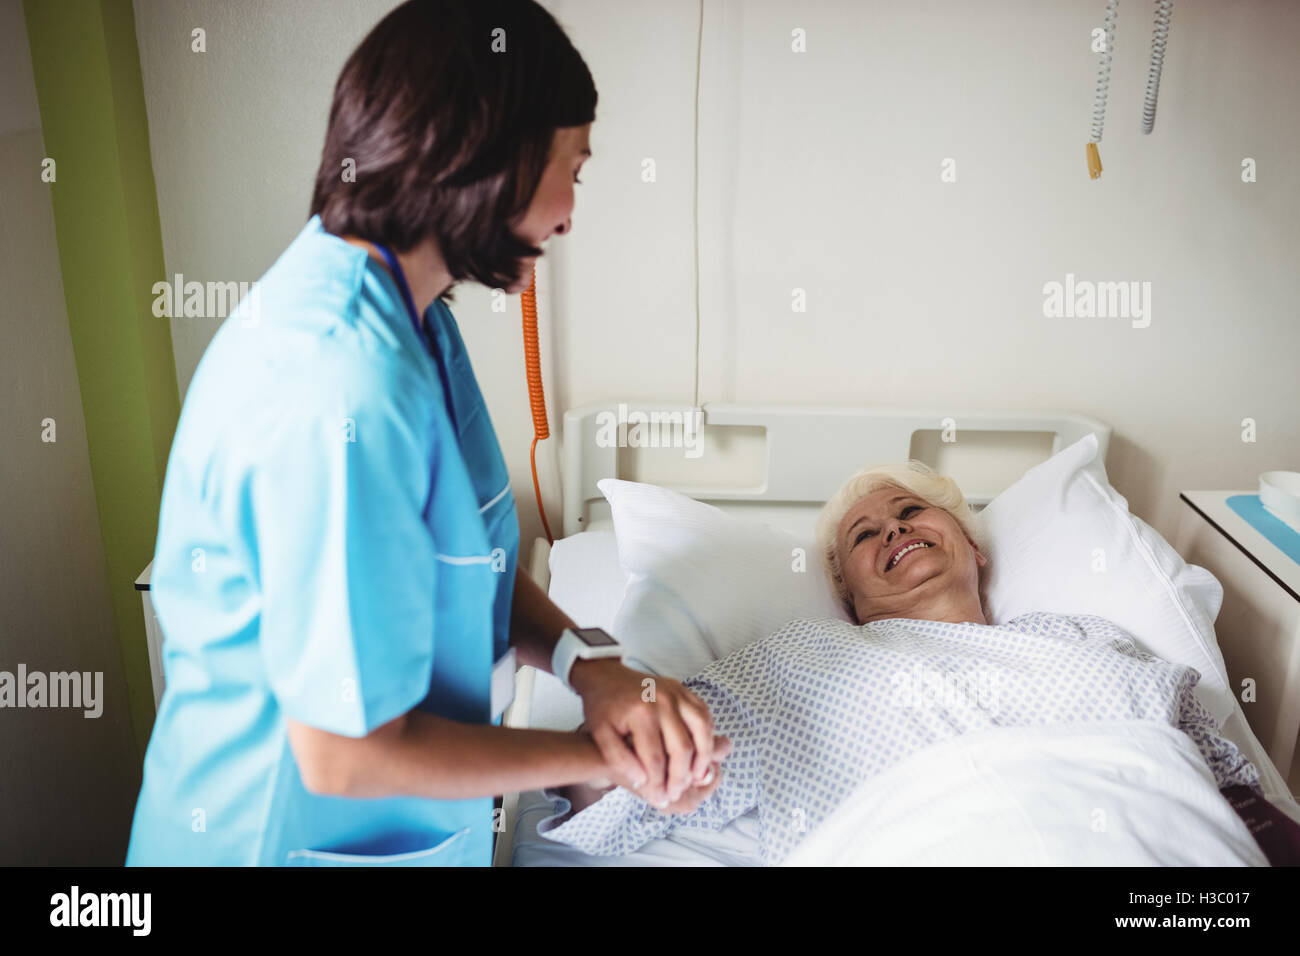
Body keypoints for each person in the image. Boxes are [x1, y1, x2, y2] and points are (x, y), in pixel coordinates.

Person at [125, 0, 722, 867]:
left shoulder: (415, 322)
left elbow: (471, 558)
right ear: (493, 159)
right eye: (574, 171)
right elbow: (344, 751)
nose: (568, 216)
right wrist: (604, 760)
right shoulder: (337, 385)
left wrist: (587, 665)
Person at [538, 460, 1266, 864]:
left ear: (973, 547)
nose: (895, 529)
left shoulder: (1086, 636)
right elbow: (626, 777)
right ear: (848, 595)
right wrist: (609, 701)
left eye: (913, 514)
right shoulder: (799, 659)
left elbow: (1229, 792)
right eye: (866, 535)